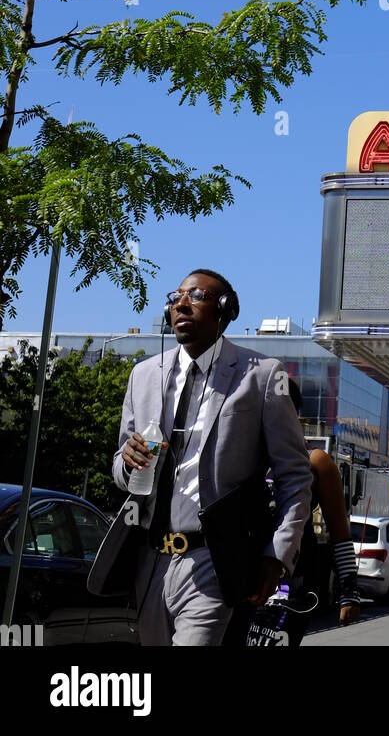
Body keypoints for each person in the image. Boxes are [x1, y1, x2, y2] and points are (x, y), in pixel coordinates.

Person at [88, 269, 312, 646]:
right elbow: (119, 468)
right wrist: (126, 463)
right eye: (176, 297)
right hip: (150, 558)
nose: (181, 304)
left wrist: (278, 553)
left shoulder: (261, 375)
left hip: (214, 560)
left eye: (196, 296)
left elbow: (295, 474)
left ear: (225, 310)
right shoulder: (142, 376)